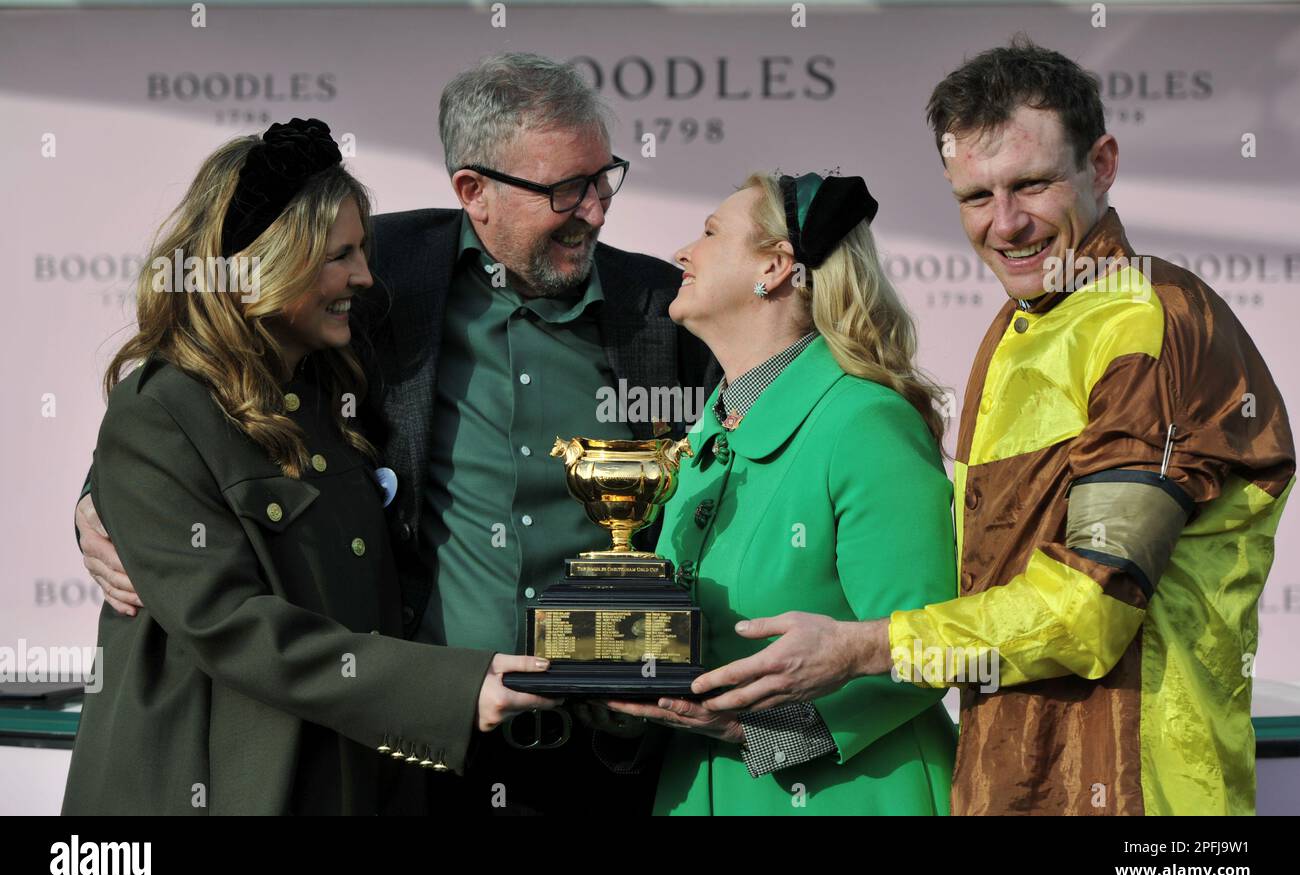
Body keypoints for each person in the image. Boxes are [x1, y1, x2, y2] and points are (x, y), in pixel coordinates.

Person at [74, 54, 719, 816]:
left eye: (603, 177)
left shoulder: (663, 309)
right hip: (416, 754)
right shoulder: (384, 278)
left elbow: (739, 468)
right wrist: (96, 503)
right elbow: (198, 398)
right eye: (563, 190)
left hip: (599, 758)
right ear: (473, 192)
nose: (595, 209)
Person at [688, 38, 1296, 816]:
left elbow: (1090, 608)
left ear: (1102, 163)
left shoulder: (1148, 319)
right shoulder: (1018, 329)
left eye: (1032, 185)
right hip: (1009, 787)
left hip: (1148, 805)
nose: (1005, 224)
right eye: (976, 197)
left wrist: (863, 647)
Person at [63, 118, 557, 816]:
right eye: (338, 256)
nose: (364, 275)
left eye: (363, 250)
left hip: (352, 776)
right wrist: (448, 688)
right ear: (265, 263)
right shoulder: (164, 410)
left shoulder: (336, 386)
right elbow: (233, 623)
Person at [605, 172, 958, 815]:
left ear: (773, 267)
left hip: (853, 797)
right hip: (697, 788)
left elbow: (930, 648)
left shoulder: (865, 423)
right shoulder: (702, 438)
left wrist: (763, 732)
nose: (683, 253)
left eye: (710, 234)